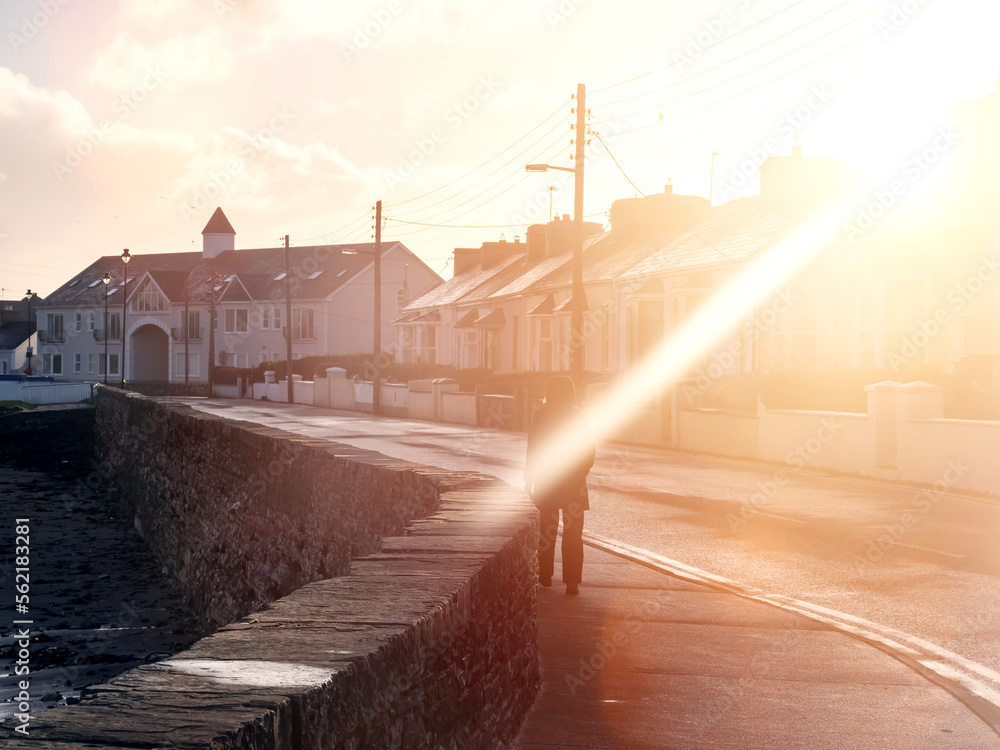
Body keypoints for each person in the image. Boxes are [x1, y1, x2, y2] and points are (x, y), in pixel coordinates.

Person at [524, 376, 596, 595]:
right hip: (574, 484)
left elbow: (534, 448)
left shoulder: (542, 415)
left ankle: (544, 575)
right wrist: (579, 474)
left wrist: (530, 478)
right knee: (574, 533)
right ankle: (572, 581)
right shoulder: (580, 416)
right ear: (571, 394)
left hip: (548, 481)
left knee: (547, 530)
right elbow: (589, 452)